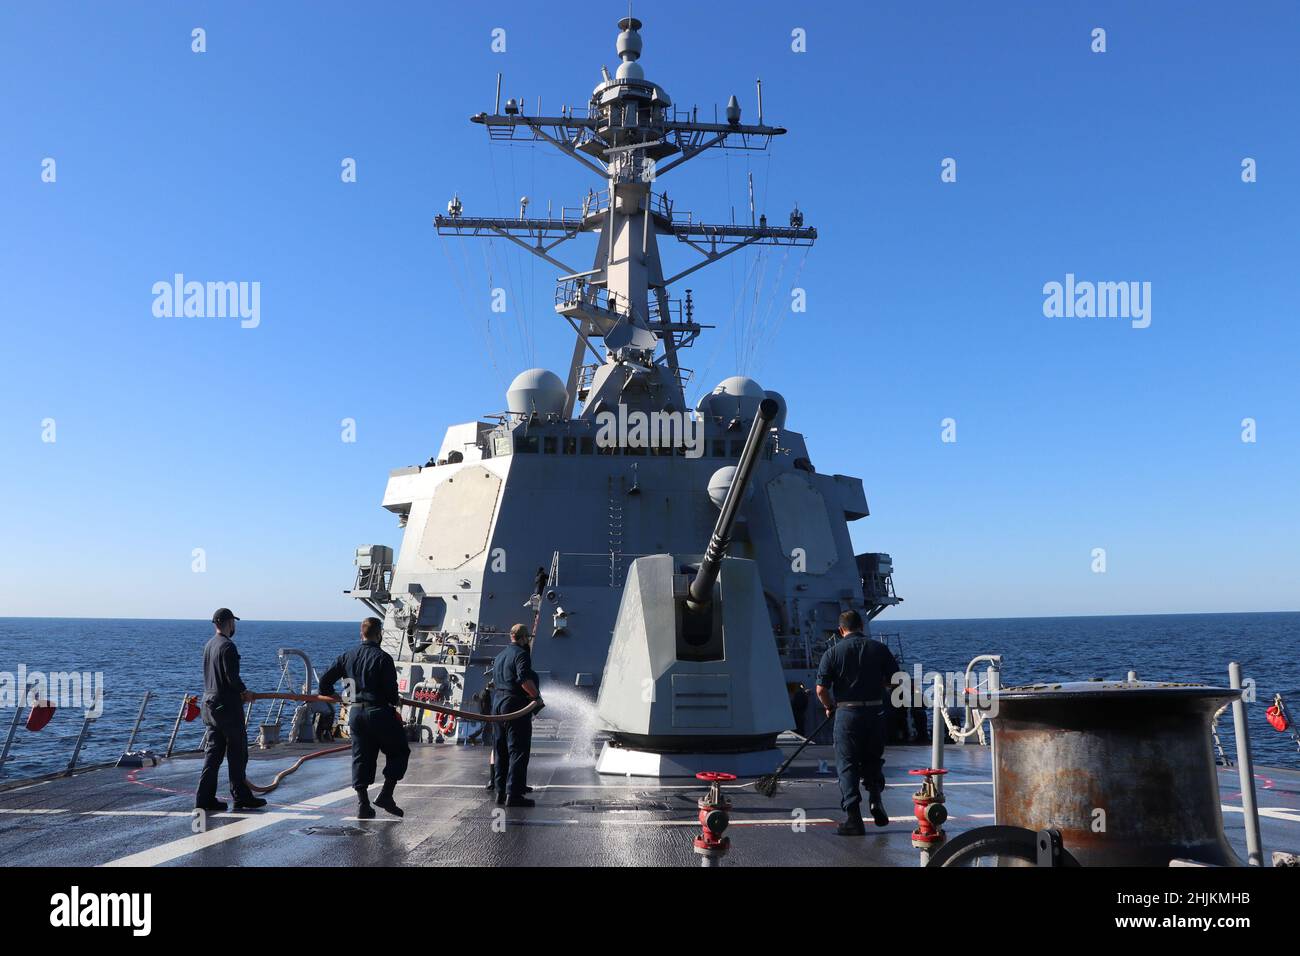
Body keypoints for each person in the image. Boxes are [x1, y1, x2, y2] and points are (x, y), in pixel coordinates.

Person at [815, 610, 900, 835]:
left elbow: (821, 689)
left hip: (847, 714)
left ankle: (854, 818)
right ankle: (875, 799)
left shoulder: (832, 653)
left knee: (847, 764)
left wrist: (829, 706)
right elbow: (896, 682)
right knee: (873, 760)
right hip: (874, 712)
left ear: (841, 630)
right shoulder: (879, 649)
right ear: (861, 626)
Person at [319, 617, 410, 819]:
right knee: (399, 752)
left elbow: (325, 680)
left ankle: (363, 804)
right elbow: (392, 695)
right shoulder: (383, 658)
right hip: (379, 713)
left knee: (362, 758)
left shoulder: (347, 656)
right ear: (379, 634)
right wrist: (395, 700)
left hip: (356, 713)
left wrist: (331, 694)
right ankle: (386, 794)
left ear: (362, 634)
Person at [195, 608, 266, 813]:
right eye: (234, 623)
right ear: (229, 623)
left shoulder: (209, 645)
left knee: (213, 755)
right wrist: (245, 692)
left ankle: (204, 798)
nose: (234, 626)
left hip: (209, 705)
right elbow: (231, 678)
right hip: (226, 707)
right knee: (237, 752)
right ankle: (242, 796)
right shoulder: (228, 646)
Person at [491, 623, 543, 807]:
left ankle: (500, 791)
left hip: (497, 704)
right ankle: (514, 794)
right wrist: (536, 697)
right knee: (518, 750)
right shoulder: (521, 654)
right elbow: (523, 678)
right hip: (514, 704)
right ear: (523, 638)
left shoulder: (500, 655)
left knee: (501, 749)